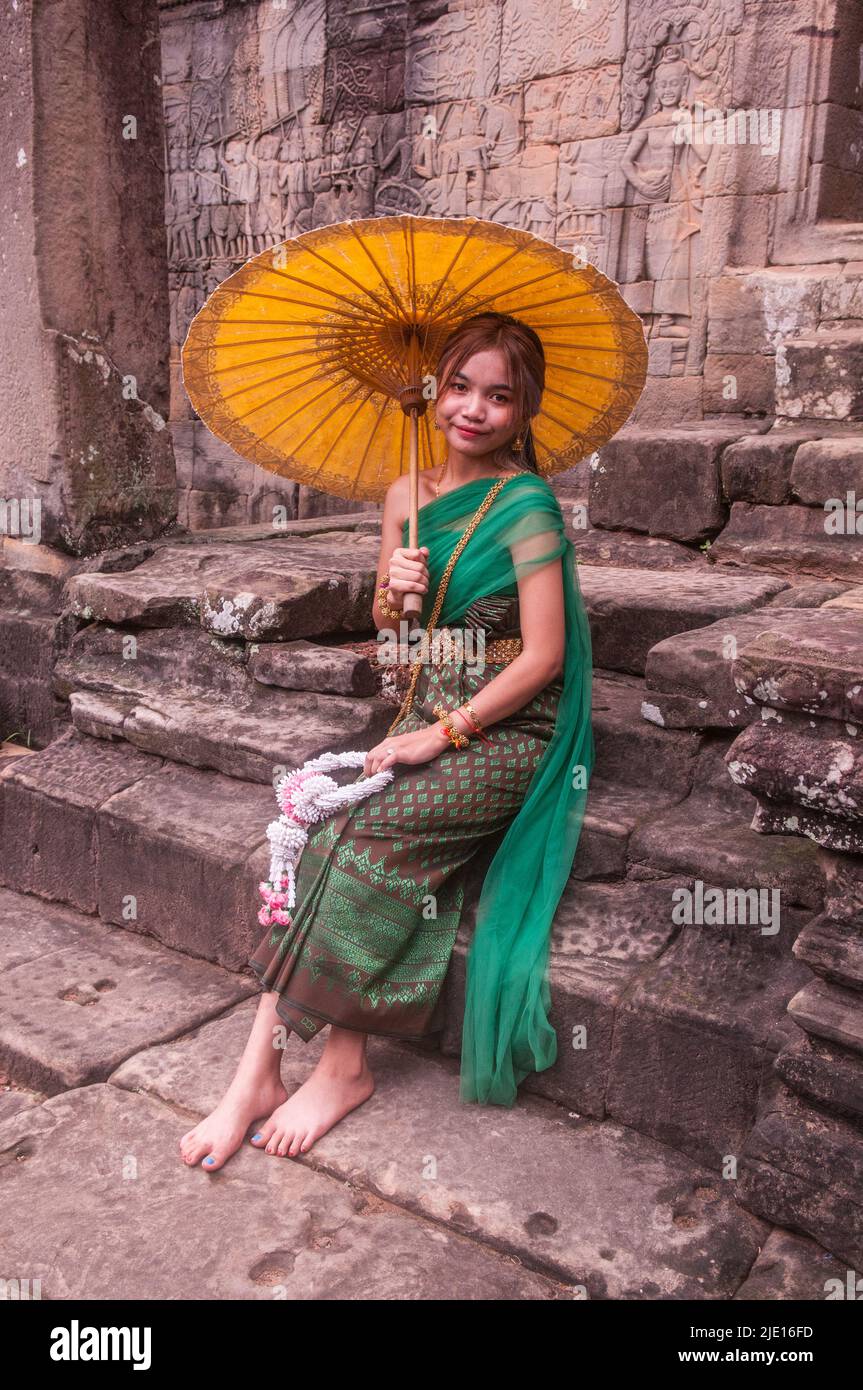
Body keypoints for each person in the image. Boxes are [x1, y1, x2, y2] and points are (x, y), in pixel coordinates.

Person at [179, 311, 595, 1172]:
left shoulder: (525, 505)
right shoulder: (405, 497)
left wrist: (437, 738)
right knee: (318, 831)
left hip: (506, 728)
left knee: (363, 837)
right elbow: (398, 647)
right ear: (433, 391)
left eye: (499, 397)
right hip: (425, 708)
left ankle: (327, 1068)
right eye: (458, 387)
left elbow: (546, 658)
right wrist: (392, 596)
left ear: (523, 413)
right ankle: (271, 1070)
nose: (473, 410)